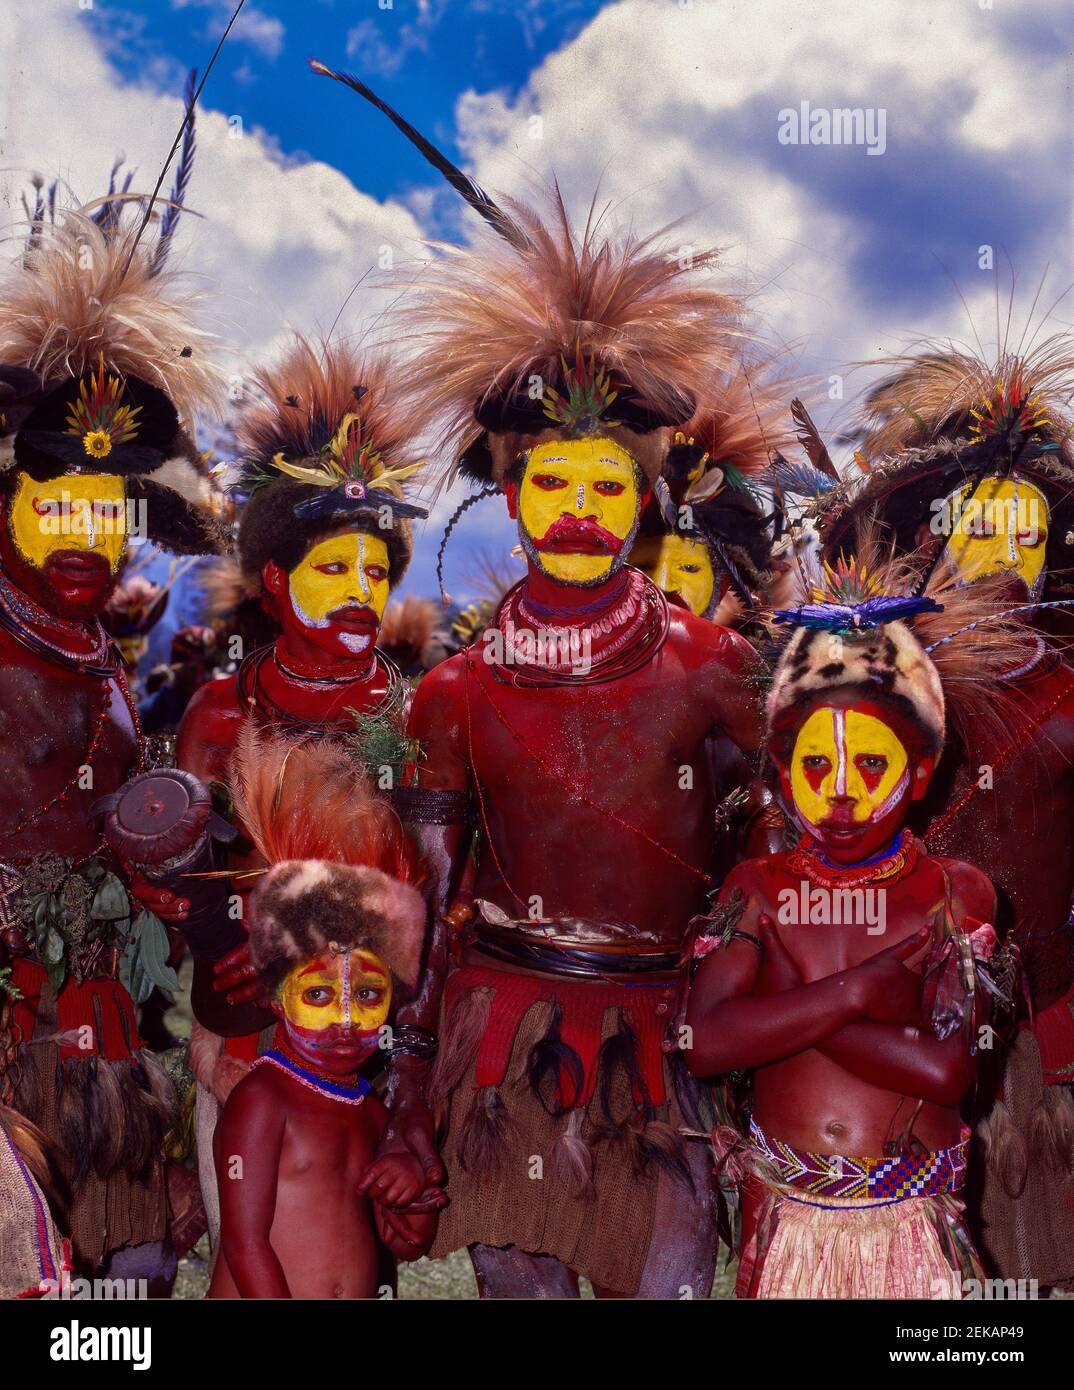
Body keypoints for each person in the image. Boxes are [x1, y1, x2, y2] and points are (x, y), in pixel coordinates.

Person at [310, 61, 779, 1297]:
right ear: (511, 494)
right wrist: (408, 1107)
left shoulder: (713, 668)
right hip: (504, 1039)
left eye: (607, 485)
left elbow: (782, 844)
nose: (578, 511)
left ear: (645, 497)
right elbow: (424, 907)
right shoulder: (454, 694)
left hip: (658, 1049)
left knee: (669, 1283)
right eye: (552, 485)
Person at [0, 135, 226, 1283]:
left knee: (132, 1260)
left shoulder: (93, 648)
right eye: (60, 506)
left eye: (110, 511)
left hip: (105, 1002)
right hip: (10, 1009)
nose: (90, 536)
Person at [800, 343, 1074, 1284]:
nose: (1006, 553)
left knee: (1031, 1265)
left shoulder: (1072, 690)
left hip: (1047, 1028)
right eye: (983, 529)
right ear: (937, 543)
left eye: (1027, 533)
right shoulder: (876, 682)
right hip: (885, 1024)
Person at [686, 551, 1024, 1297]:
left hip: (910, 1223)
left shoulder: (952, 894)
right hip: (785, 1222)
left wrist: (786, 1006)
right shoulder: (758, 888)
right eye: (815, 767)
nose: (840, 796)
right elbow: (705, 1043)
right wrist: (858, 991)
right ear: (779, 770)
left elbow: (945, 1069)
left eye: (870, 767)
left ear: (923, 770)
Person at [209, 728, 440, 1298]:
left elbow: (407, 1243)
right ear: (275, 994)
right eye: (317, 995)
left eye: (367, 996)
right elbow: (244, 1244)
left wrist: (412, 1195)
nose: (345, 1021)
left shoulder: (367, 1110)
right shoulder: (262, 1100)